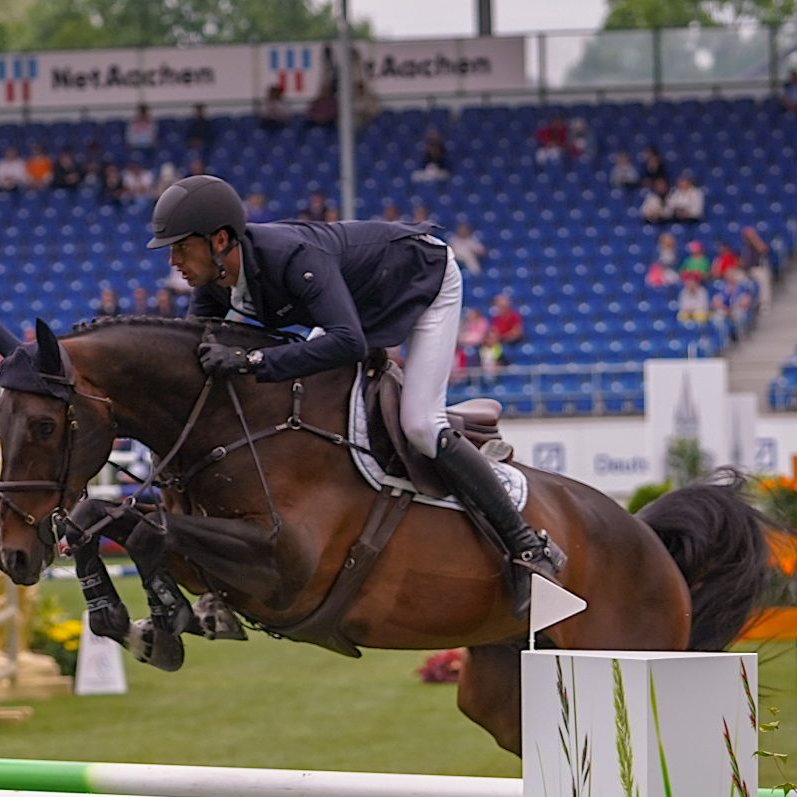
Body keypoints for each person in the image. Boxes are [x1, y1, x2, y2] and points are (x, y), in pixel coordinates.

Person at [142, 173, 560, 612]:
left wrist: (254, 363)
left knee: (420, 424)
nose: (173, 261)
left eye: (180, 247)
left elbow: (348, 342)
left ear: (220, 240)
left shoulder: (291, 258)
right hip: (354, 303)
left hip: (420, 281)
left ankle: (527, 548)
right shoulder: (214, 283)